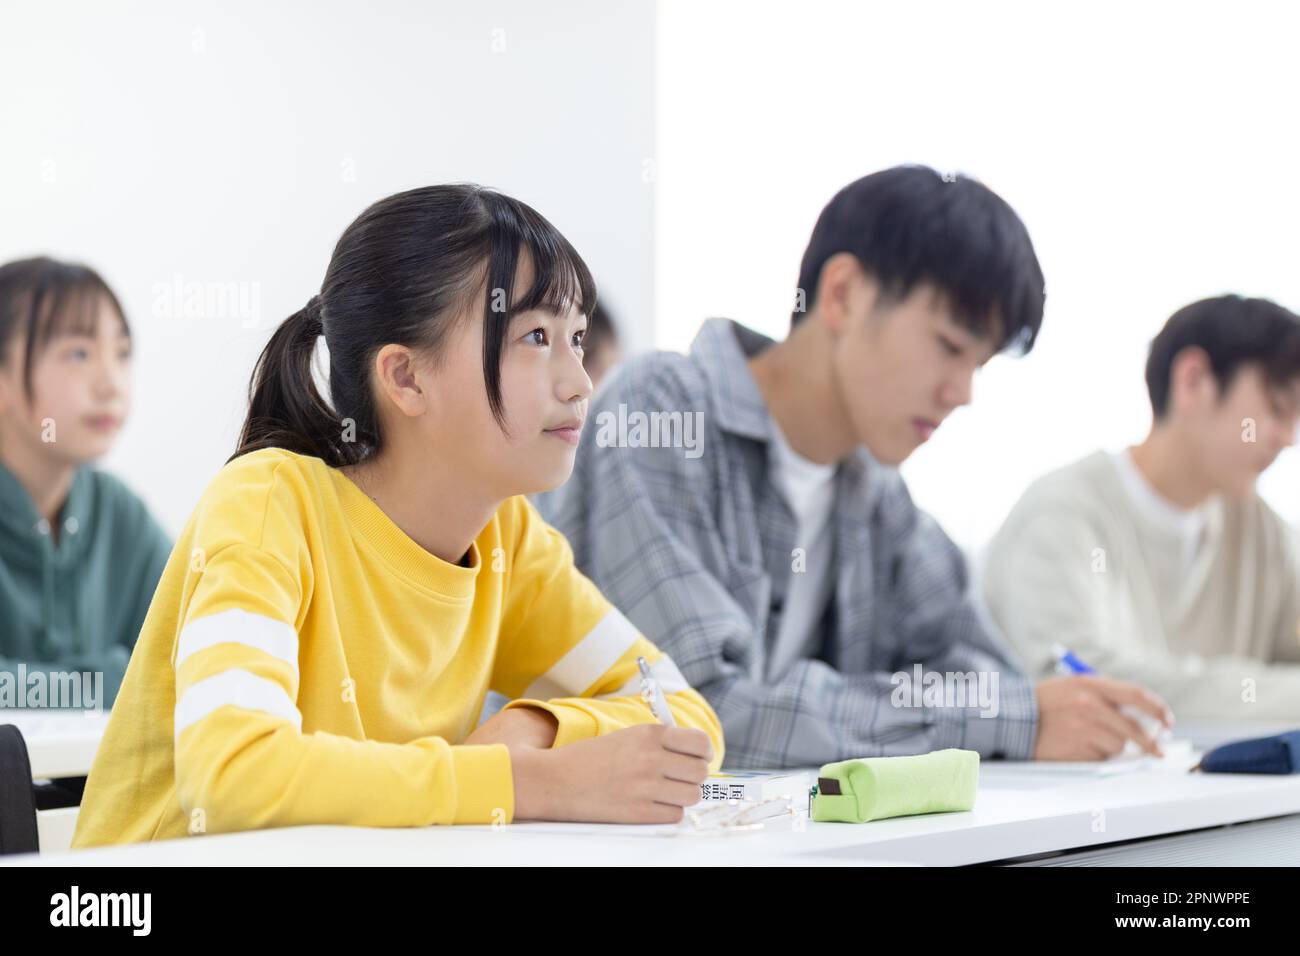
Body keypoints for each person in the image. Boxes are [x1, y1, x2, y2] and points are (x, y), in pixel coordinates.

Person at [72, 185, 723, 847]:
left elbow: (686, 716)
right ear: (407, 379)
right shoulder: (270, 504)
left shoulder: (509, 538)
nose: (580, 381)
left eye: (576, 338)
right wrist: (529, 781)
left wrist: (538, 731)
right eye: (535, 336)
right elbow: (233, 774)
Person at [542, 165, 1171, 768]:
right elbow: (698, 711)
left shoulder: (876, 492)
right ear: (843, 295)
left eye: (979, 364)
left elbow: (987, 675)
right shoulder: (660, 411)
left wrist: (1016, 708)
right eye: (950, 346)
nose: (963, 392)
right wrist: (1007, 717)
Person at [983, 295, 1300, 721]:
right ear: (1193, 381)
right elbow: (1076, 686)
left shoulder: (1265, 534)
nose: (1288, 438)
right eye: (1278, 409)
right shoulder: (1063, 514)